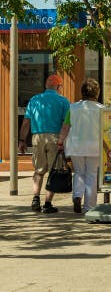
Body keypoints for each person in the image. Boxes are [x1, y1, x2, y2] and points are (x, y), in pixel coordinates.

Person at [18, 74, 70, 213]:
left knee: (39, 171)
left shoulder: (34, 100)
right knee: (54, 172)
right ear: (58, 86)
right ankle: (47, 203)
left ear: (46, 86)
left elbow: (26, 122)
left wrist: (22, 140)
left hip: (37, 138)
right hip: (55, 138)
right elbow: (66, 124)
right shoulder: (63, 101)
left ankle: (35, 198)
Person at [57, 78, 104, 214]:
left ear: (82, 91)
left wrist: (60, 142)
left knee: (78, 172)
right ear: (97, 92)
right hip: (95, 146)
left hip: (76, 145)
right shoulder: (102, 109)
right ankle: (89, 207)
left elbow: (65, 127)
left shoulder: (73, 108)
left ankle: (77, 195)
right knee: (92, 174)